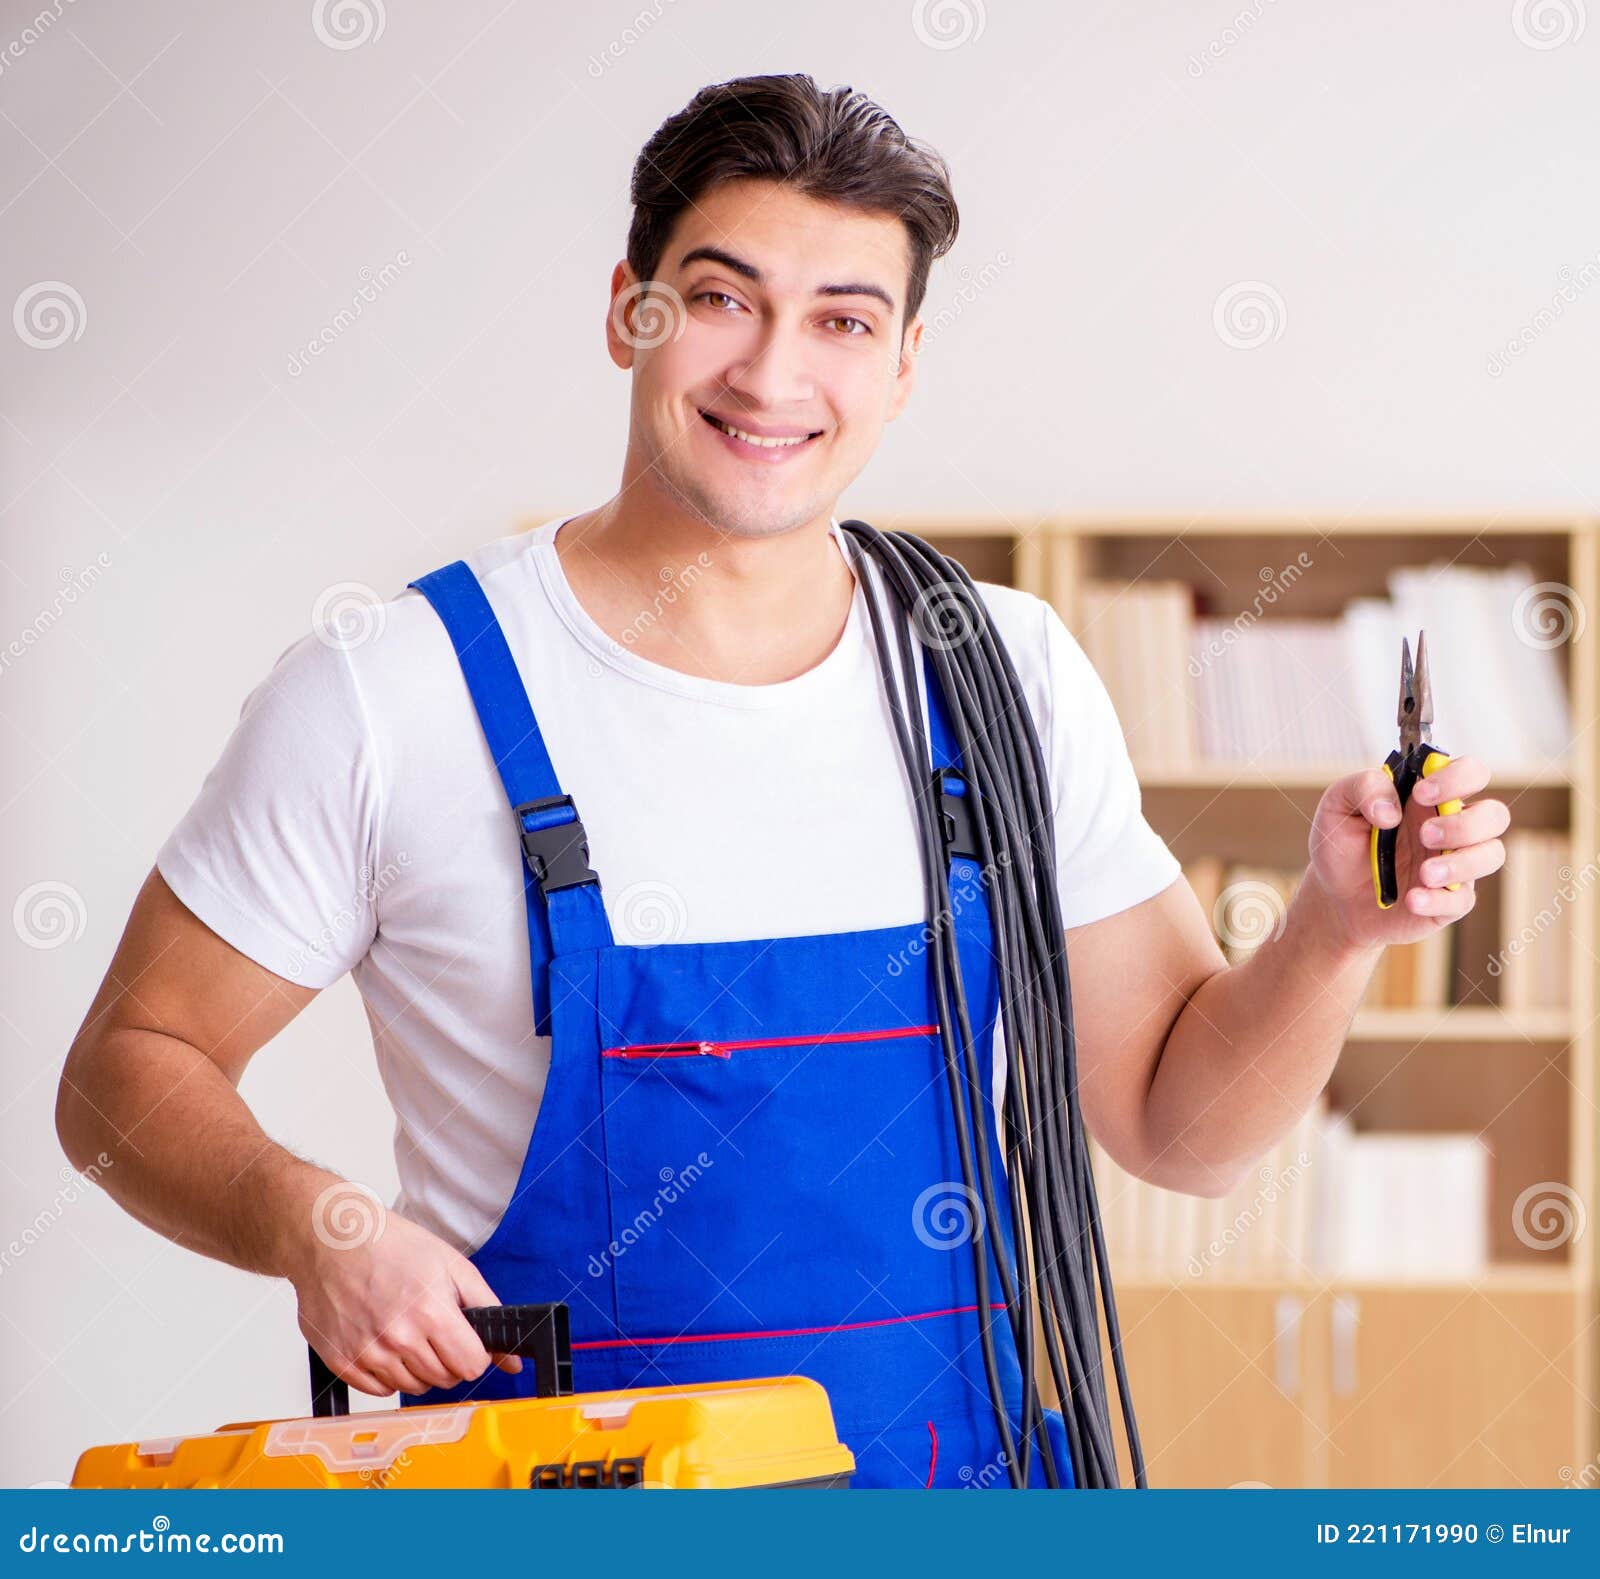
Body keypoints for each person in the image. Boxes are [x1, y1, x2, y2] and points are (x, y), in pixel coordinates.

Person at [56, 74, 1509, 1489]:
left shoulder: (998, 672)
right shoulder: (394, 691)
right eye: (721, 298)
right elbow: (126, 1074)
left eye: (841, 320)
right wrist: (316, 1224)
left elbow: (1181, 1136)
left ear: (903, 364)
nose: (770, 373)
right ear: (629, 306)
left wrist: (1335, 928)